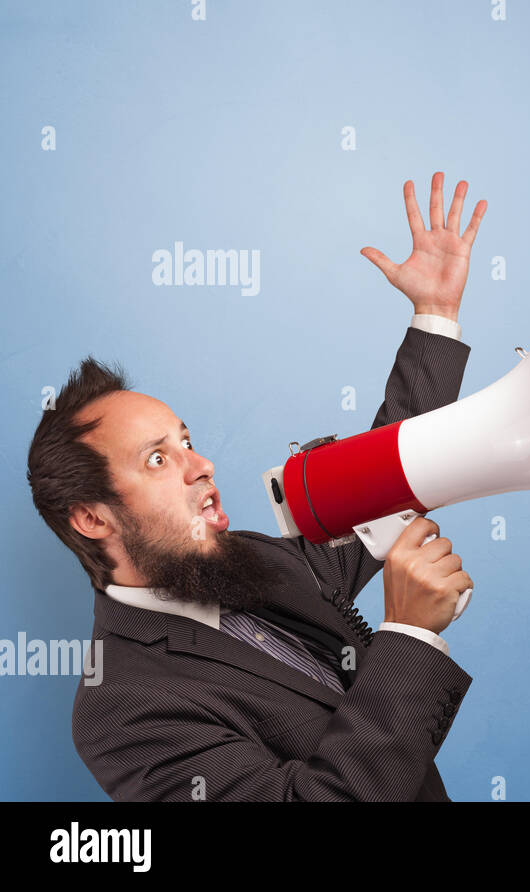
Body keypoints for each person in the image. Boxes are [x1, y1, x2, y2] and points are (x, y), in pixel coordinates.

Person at [26, 173, 487, 801]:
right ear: (92, 518)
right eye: (158, 460)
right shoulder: (121, 709)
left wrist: (434, 316)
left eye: (186, 441)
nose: (201, 465)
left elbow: (379, 487)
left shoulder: (251, 560)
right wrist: (407, 635)